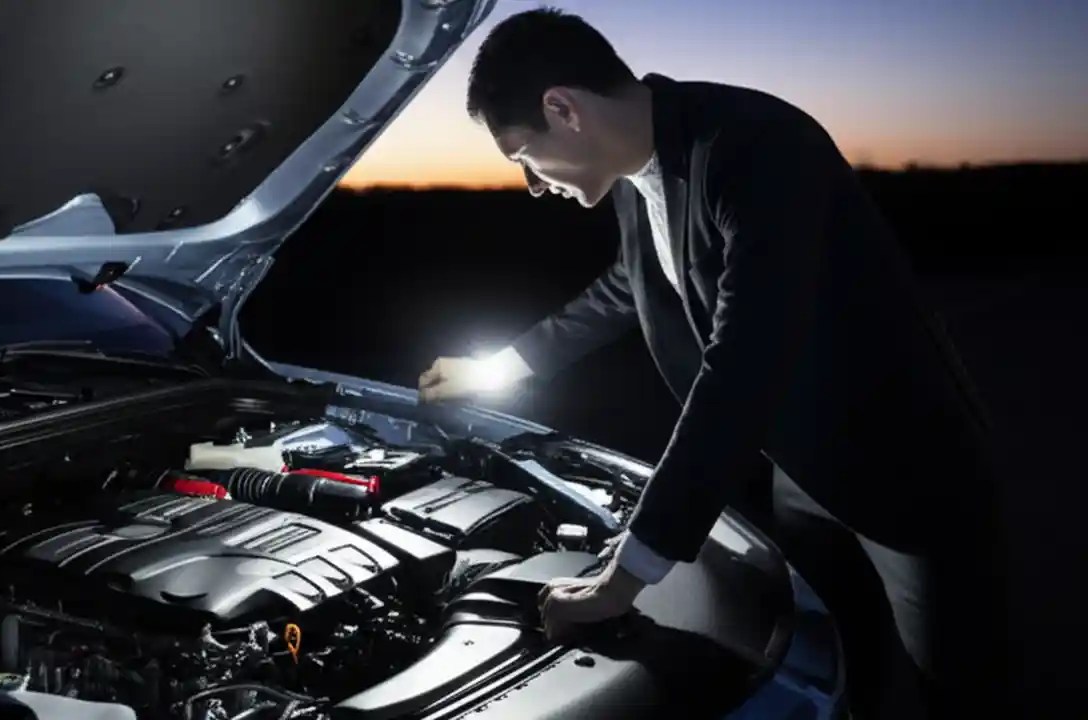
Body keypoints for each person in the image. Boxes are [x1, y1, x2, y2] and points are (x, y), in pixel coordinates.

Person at [417, 8, 1012, 719]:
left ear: (562, 109)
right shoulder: (639, 171)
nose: (534, 185)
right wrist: (503, 365)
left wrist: (626, 577)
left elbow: (742, 366)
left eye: (523, 158)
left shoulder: (754, 145)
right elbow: (625, 289)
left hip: (909, 477)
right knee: (839, 682)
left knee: (961, 696)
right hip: (803, 473)